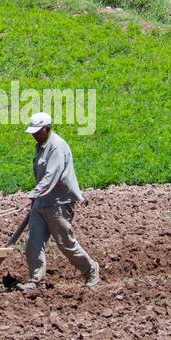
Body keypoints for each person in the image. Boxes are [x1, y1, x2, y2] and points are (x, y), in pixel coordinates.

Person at [18, 111, 99, 293]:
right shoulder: (41, 145)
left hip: (59, 203)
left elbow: (51, 175)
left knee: (65, 243)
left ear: (47, 129)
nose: (34, 135)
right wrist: (36, 196)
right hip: (42, 201)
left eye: (38, 131)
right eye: (33, 132)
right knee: (33, 243)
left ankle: (91, 270)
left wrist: (32, 194)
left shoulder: (57, 146)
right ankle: (35, 281)